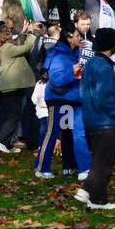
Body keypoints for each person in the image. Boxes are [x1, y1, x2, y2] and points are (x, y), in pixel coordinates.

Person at [75, 28, 115, 210]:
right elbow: (103, 96)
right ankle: (87, 189)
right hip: (105, 121)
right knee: (103, 161)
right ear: (113, 44)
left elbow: (83, 91)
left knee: (99, 158)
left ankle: (98, 200)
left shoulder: (91, 63)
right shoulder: (103, 66)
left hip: (92, 119)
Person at [34, 25, 90, 179]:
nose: (81, 38)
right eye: (78, 35)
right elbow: (57, 80)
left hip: (74, 99)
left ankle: (84, 169)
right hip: (58, 99)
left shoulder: (76, 53)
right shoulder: (57, 54)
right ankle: (41, 167)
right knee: (51, 134)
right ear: (69, 36)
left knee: (79, 134)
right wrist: (72, 71)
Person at [0, 20, 39, 153]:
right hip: (11, 87)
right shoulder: (7, 47)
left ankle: (6, 143)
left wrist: (23, 33)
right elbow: (25, 47)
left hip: (8, 87)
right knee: (12, 116)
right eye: (9, 32)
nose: (11, 34)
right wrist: (31, 33)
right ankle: (1, 141)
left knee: (10, 116)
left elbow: (18, 45)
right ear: (5, 36)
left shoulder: (5, 47)